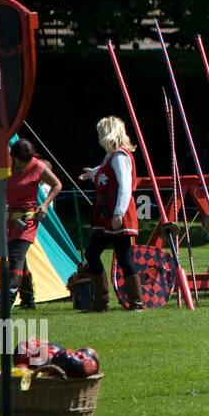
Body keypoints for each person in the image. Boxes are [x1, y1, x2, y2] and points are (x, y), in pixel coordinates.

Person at [78, 116, 142, 311]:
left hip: (116, 212)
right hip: (107, 213)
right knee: (93, 253)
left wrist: (119, 213)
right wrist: (92, 173)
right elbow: (105, 170)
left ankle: (135, 303)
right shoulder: (111, 156)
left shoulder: (120, 156)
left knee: (123, 257)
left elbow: (124, 186)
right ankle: (101, 301)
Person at [4, 139, 62, 309]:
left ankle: (9, 293)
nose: (25, 164)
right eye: (22, 160)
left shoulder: (37, 166)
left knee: (16, 255)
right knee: (21, 261)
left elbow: (57, 184)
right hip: (8, 219)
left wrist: (45, 205)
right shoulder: (4, 167)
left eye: (27, 160)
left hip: (28, 219)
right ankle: (28, 300)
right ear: (13, 157)